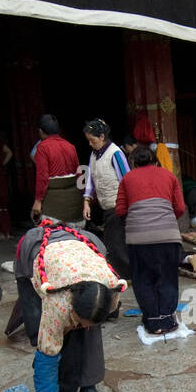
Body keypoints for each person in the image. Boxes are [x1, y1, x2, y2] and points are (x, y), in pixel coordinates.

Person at [13, 223, 125, 392]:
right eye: (79, 320)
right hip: (39, 256)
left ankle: (87, 386)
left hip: (81, 251)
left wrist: (83, 324)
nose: (82, 325)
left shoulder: (110, 290)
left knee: (89, 335)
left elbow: (91, 316)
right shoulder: (59, 302)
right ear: (71, 305)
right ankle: (61, 389)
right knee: (43, 332)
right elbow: (47, 353)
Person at [117, 146, 185, 334]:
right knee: (168, 278)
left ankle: (153, 321)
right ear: (155, 161)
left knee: (144, 279)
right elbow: (179, 207)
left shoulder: (127, 178)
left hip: (138, 239)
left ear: (133, 163)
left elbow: (120, 210)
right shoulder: (168, 176)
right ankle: (167, 320)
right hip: (168, 236)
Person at [82, 119, 131, 277]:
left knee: (115, 242)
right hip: (106, 206)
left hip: (118, 206)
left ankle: (126, 274)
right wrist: (87, 201)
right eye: (88, 140)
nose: (90, 144)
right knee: (113, 241)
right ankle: (123, 273)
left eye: (92, 140)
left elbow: (126, 179)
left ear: (102, 136)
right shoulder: (93, 155)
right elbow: (90, 179)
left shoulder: (115, 153)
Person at [32, 114, 81, 224]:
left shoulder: (42, 147)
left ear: (40, 131)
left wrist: (38, 201)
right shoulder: (70, 146)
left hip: (53, 204)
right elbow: (78, 173)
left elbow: (42, 177)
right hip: (74, 202)